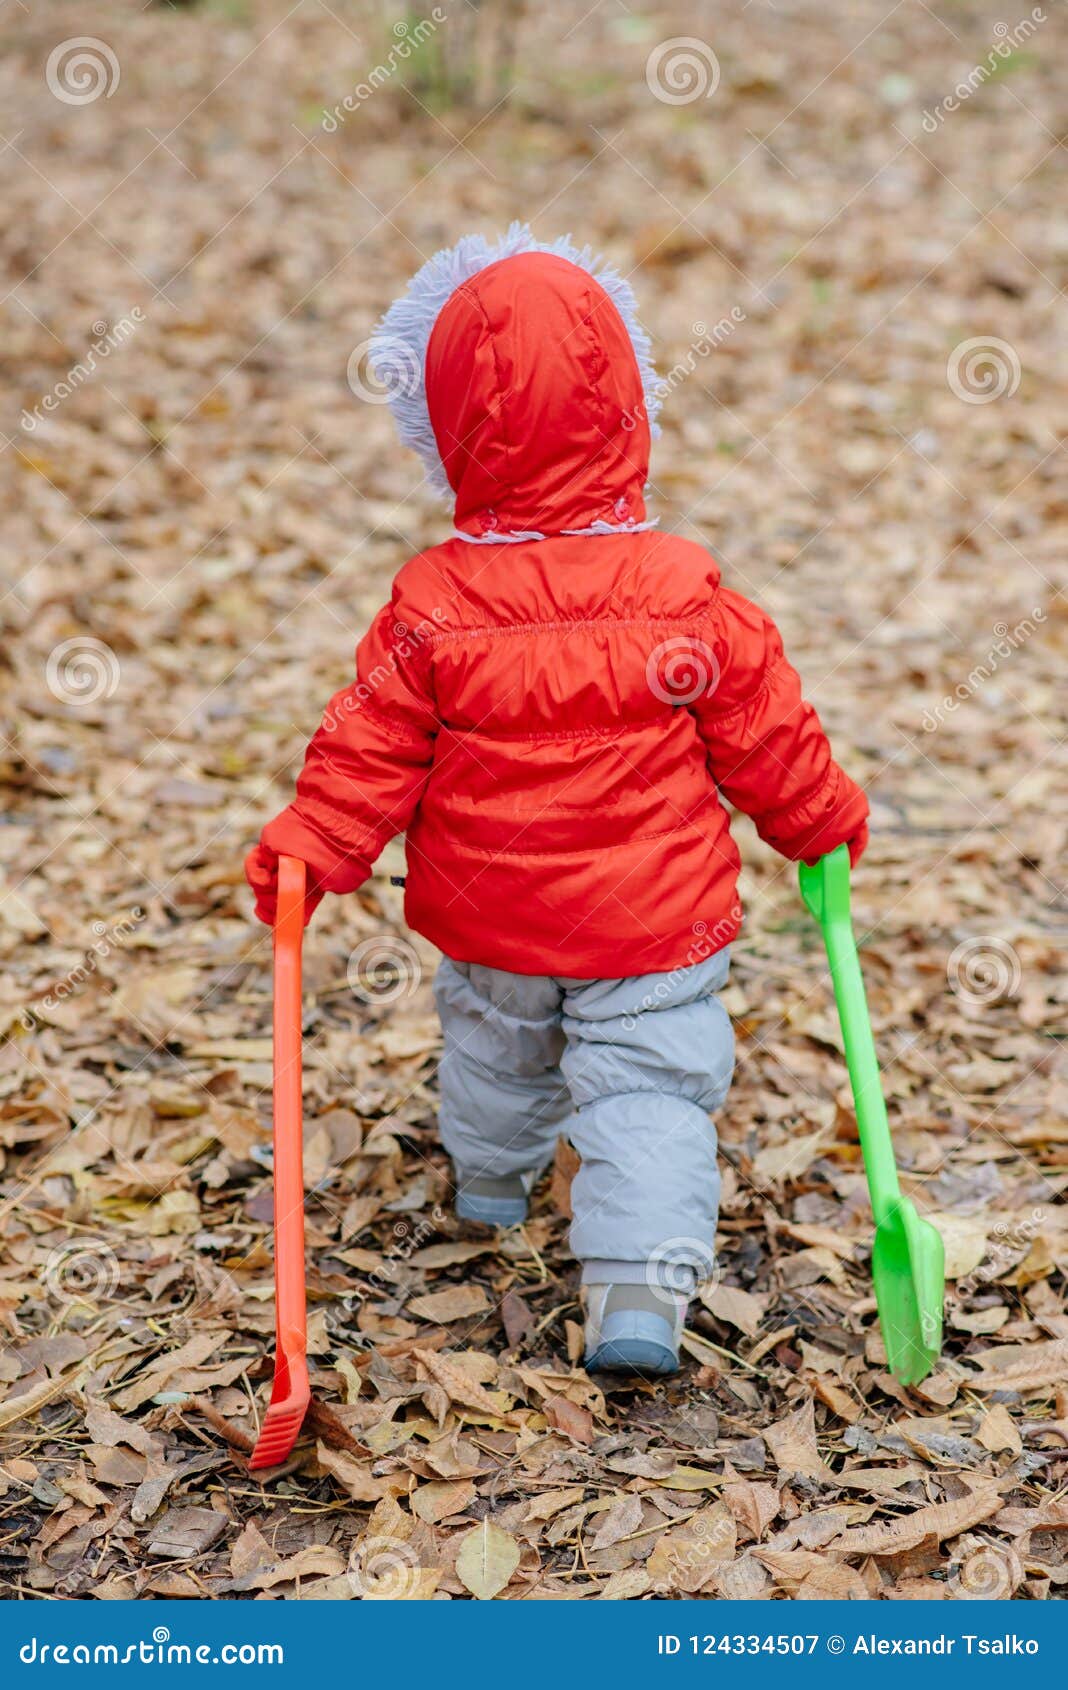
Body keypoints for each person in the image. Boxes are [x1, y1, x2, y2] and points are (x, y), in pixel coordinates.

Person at [246, 225, 868, 1375]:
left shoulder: (432, 604)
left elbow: (364, 747)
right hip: (656, 924)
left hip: (496, 917)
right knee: (649, 1084)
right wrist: (817, 819)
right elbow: (767, 732)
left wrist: (313, 847)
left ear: (443, 436)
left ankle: (489, 1185)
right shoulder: (685, 589)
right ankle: (637, 1293)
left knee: (493, 1046)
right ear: (630, 409)